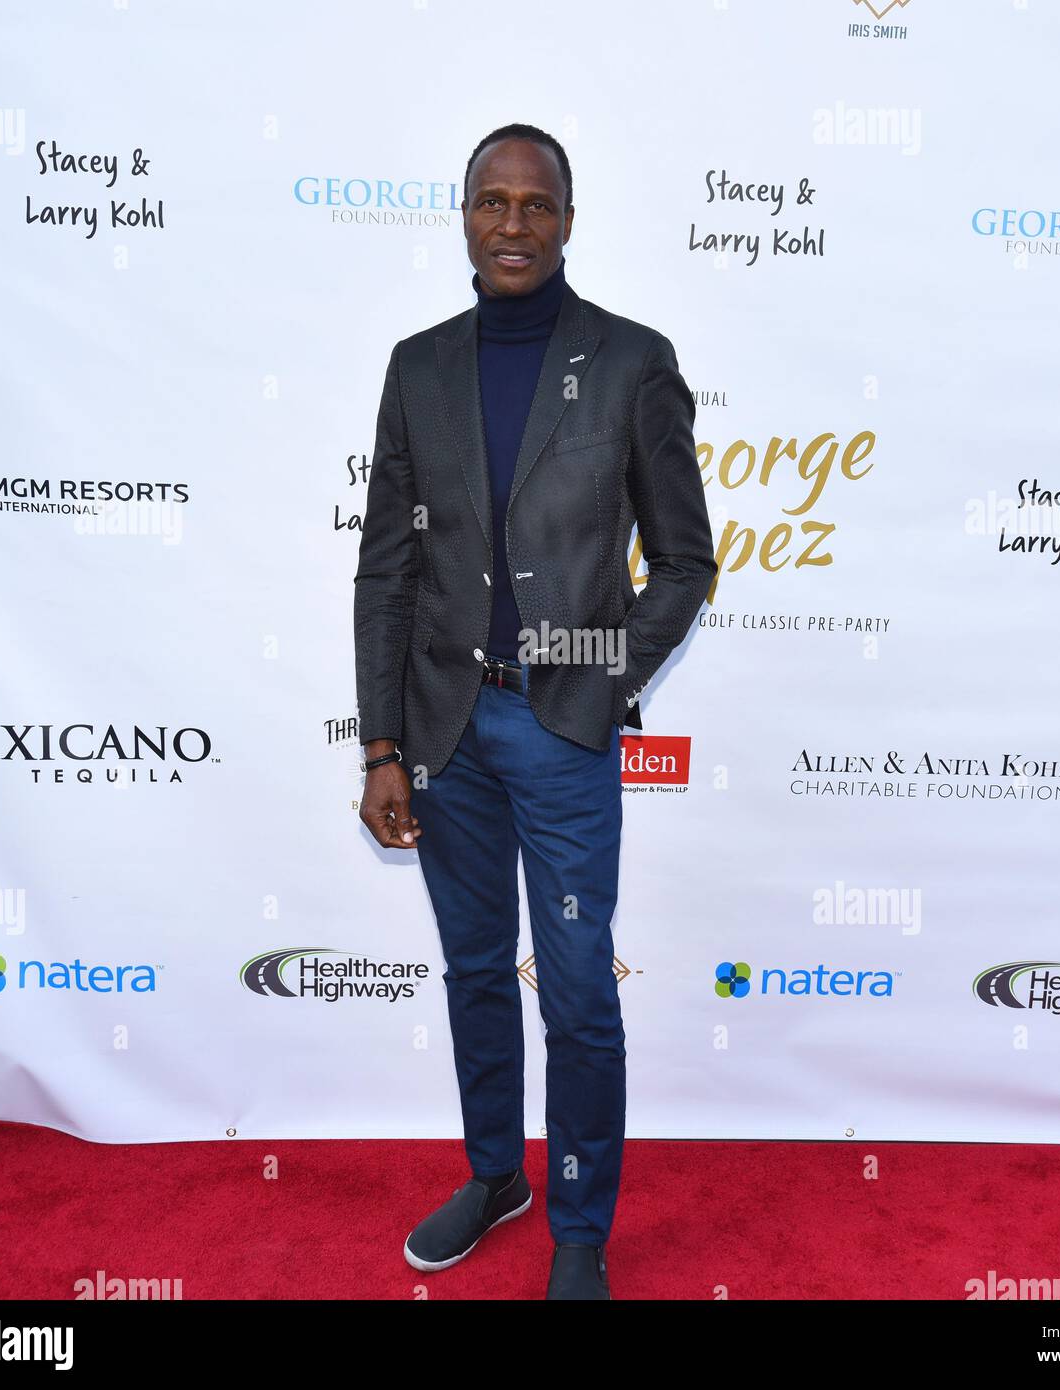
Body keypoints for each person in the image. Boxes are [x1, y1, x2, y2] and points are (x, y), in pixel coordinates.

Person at [354, 122, 715, 1300]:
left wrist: (605, 682)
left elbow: (684, 561)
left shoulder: (630, 362)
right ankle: (491, 1175)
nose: (512, 224)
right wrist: (382, 742)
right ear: (463, 215)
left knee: (573, 992)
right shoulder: (417, 368)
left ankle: (576, 1226)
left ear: (568, 219)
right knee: (470, 972)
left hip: (560, 730)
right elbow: (386, 572)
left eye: (536, 204)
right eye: (490, 202)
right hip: (444, 731)